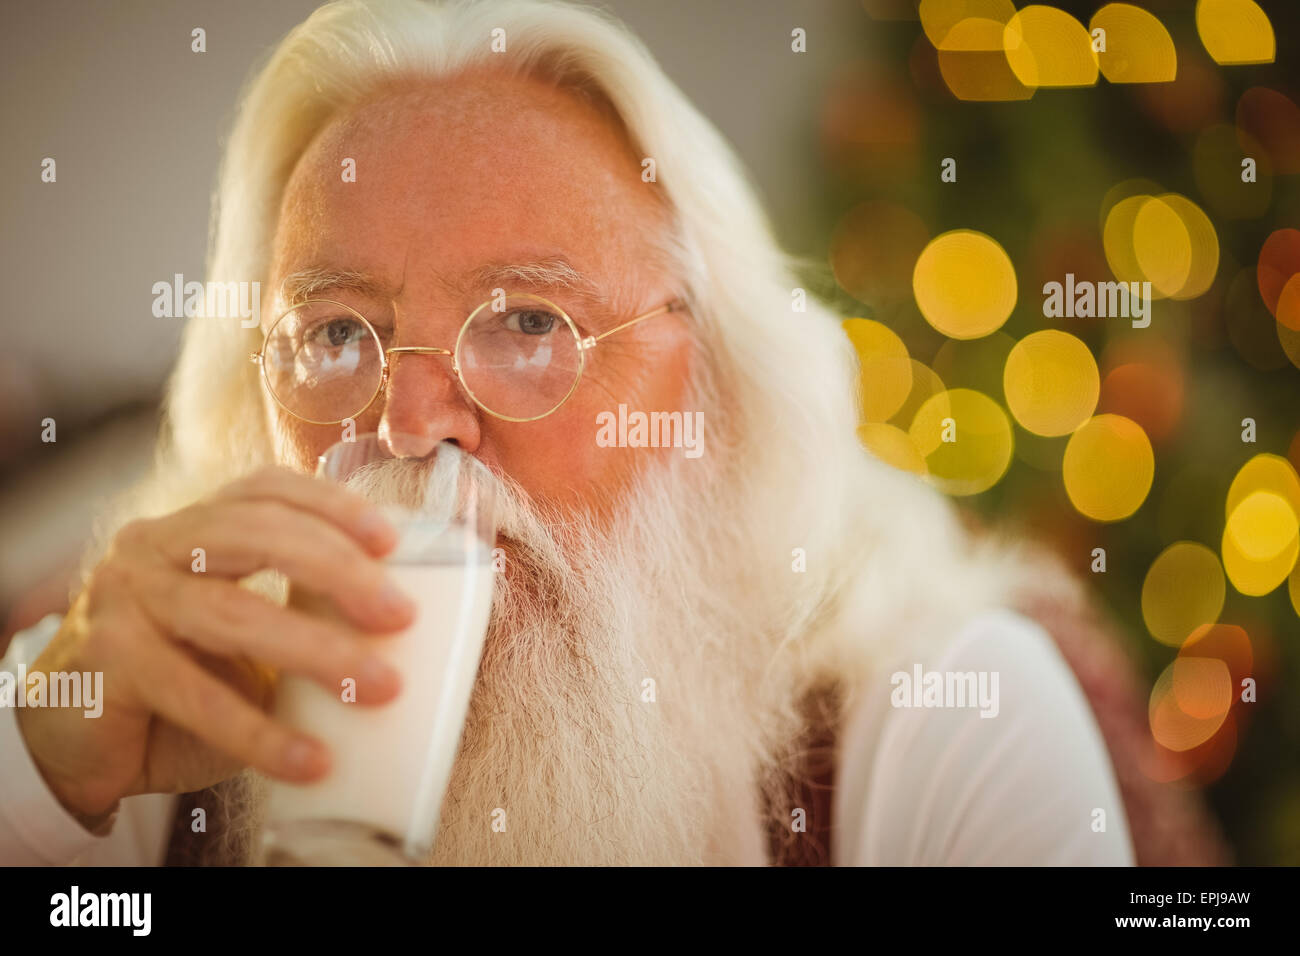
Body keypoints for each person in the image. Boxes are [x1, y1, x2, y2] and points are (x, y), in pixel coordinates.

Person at [1, 0, 1186, 866]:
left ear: (713, 392)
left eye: (527, 319)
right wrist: (37, 779)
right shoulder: (154, 716)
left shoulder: (935, 723)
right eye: (336, 336)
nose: (412, 422)